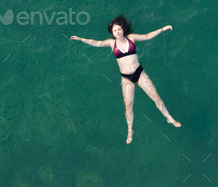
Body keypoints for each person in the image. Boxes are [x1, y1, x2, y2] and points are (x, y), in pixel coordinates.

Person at [71, 14, 181, 144]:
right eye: (114, 31)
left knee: (155, 96)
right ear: (112, 33)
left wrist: (163, 29)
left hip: (140, 73)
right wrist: (80, 39)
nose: (117, 32)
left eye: (119, 29)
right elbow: (96, 43)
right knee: (128, 106)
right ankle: (130, 129)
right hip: (126, 78)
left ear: (123, 30)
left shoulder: (132, 38)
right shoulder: (112, 43)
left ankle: (168, 117)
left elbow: (147, 36)